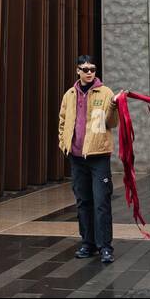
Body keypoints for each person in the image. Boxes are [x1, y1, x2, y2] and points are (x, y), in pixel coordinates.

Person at [57, 55, 119, 265]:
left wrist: (114, 106)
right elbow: (63, 121)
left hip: (99, 156)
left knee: (101, 202)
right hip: (76, 157)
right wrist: (63, 143)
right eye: (85, 69)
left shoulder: (105, 92)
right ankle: (88, 243)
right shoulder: (70, 95)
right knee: (83, 202)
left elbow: (112, 123)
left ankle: (105, 247)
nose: (90, 72)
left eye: (92, 68)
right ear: (78, 71)